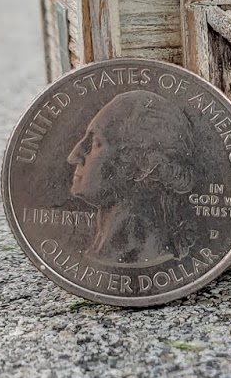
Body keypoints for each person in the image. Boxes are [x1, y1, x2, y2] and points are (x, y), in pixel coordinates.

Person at [67, 90, 200, 267]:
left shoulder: (146, 255)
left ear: (141, 164)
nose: (74, 155)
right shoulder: (102, 251)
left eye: (96, 142)